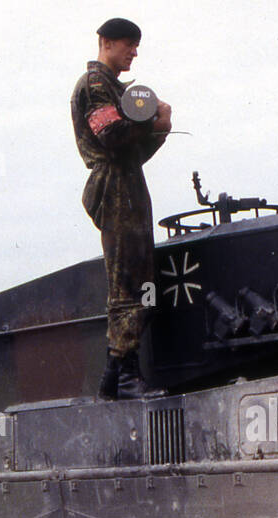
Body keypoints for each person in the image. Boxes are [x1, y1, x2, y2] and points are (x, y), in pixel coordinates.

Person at [71, 16, 172, 399]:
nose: (133, 52)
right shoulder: (96, 85)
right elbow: (111, 135)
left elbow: (134, 152)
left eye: (136, 45)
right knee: (128, 282)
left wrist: (160, 127)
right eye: (128, 44)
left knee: (142, 279)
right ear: (105, 42)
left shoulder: (114, 89)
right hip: (114, 187)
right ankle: (127, 375)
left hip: (128, 184)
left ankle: (114, 375)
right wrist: (151, 121)